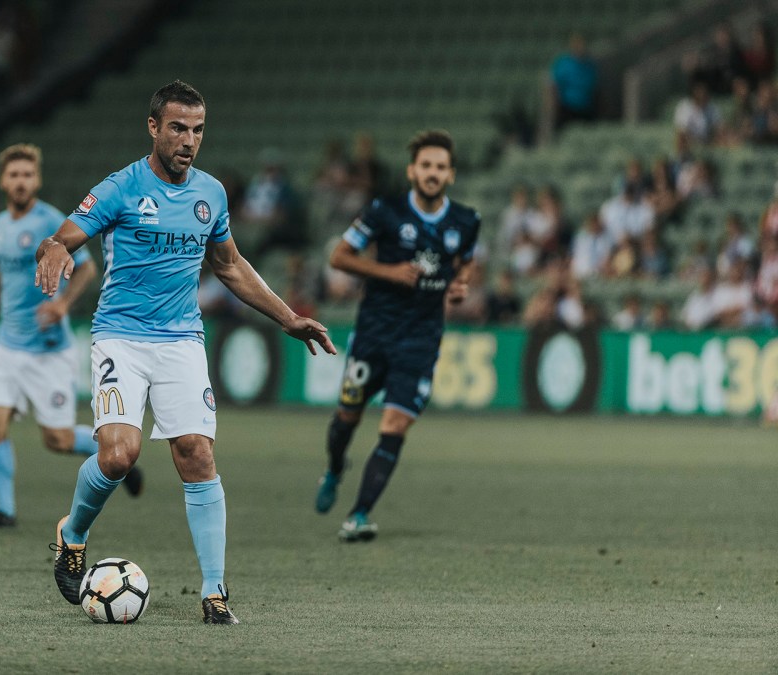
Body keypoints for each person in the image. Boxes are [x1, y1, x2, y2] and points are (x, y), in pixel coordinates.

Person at [35, 81, 335, 624]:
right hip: (121, 337)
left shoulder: (211, 194)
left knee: (195, 452)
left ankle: (214, 591)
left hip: (180, 340)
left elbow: (229, 265)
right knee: (119, 456)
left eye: (197, 130)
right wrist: (54, 249)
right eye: (178, 128)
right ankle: (73, 534)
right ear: (154, 127)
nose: (188, 140)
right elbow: (65, 235)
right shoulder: (120, 187)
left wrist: (288, 317)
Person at [0, 143, 141, 529]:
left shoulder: (52, 221)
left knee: (56, 440)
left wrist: (63, 305)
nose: (21, 181)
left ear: (37, 179)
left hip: (47, 349)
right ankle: (3, 511)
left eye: (27, 175)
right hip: (8, 345)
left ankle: (116, 454)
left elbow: (88, 269)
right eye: (14, 175)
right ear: (3, 181)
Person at [313, 129, 481, 541]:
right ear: (412, 170)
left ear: (451, 175)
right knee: (347, 418)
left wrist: (459, 286)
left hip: (421, 340)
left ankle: (359, 514)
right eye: (426, 165)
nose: (432, 173)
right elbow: (339, 256)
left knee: (395, 423)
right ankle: (335, 467)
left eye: (440, 167)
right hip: (374, 334)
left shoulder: (466, 220)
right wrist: (388, 272)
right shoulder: (384, 211)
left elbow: (464, 264)